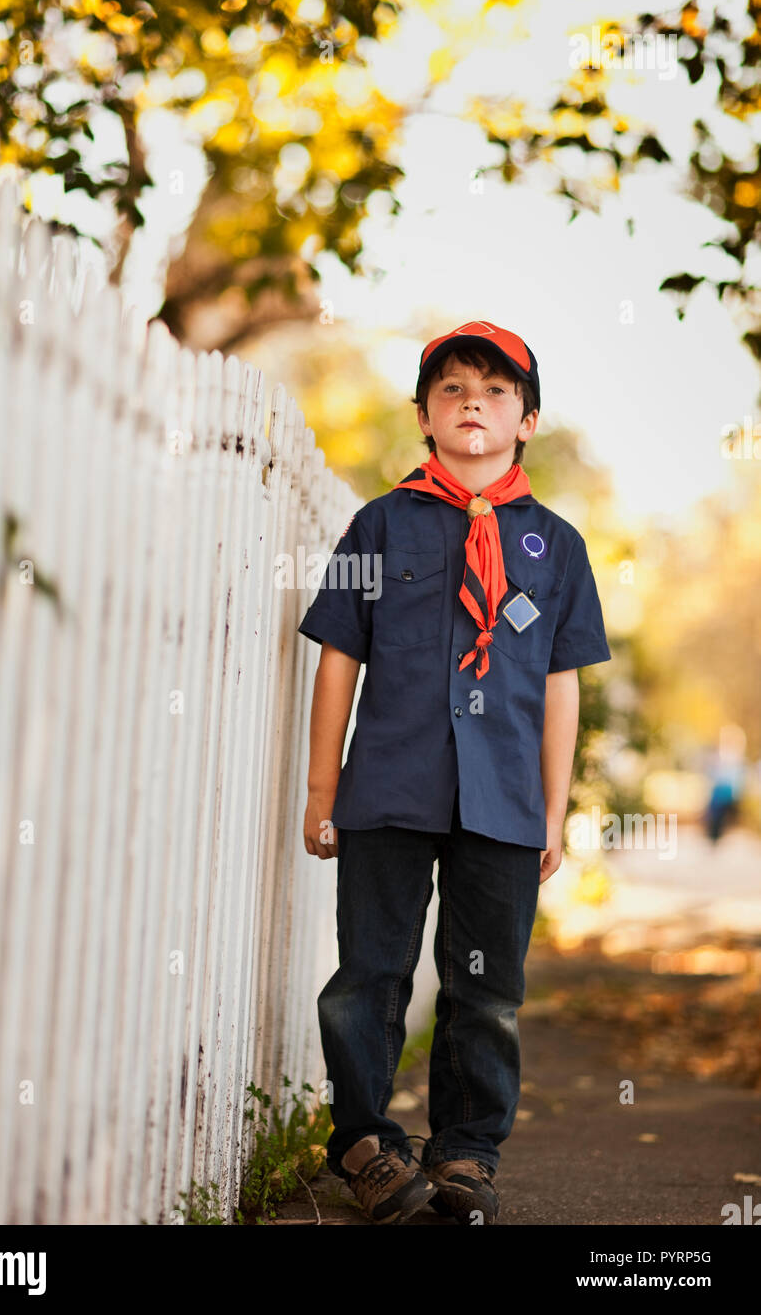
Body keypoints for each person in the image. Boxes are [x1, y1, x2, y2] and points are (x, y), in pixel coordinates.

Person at [298, 319, 611, 1225]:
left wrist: (553, 812)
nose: (473, 400)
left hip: (505, 802)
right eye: (451, 388)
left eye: (497, 389)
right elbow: (337, 663)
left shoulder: (557, 545)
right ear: (424, 416)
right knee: (368, 975)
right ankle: (366, 1145)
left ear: (529, 419)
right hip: (388, 792)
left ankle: (467, 1155)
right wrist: (323, 794)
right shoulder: (379, 522)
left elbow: (561, 688)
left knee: (486, 991)